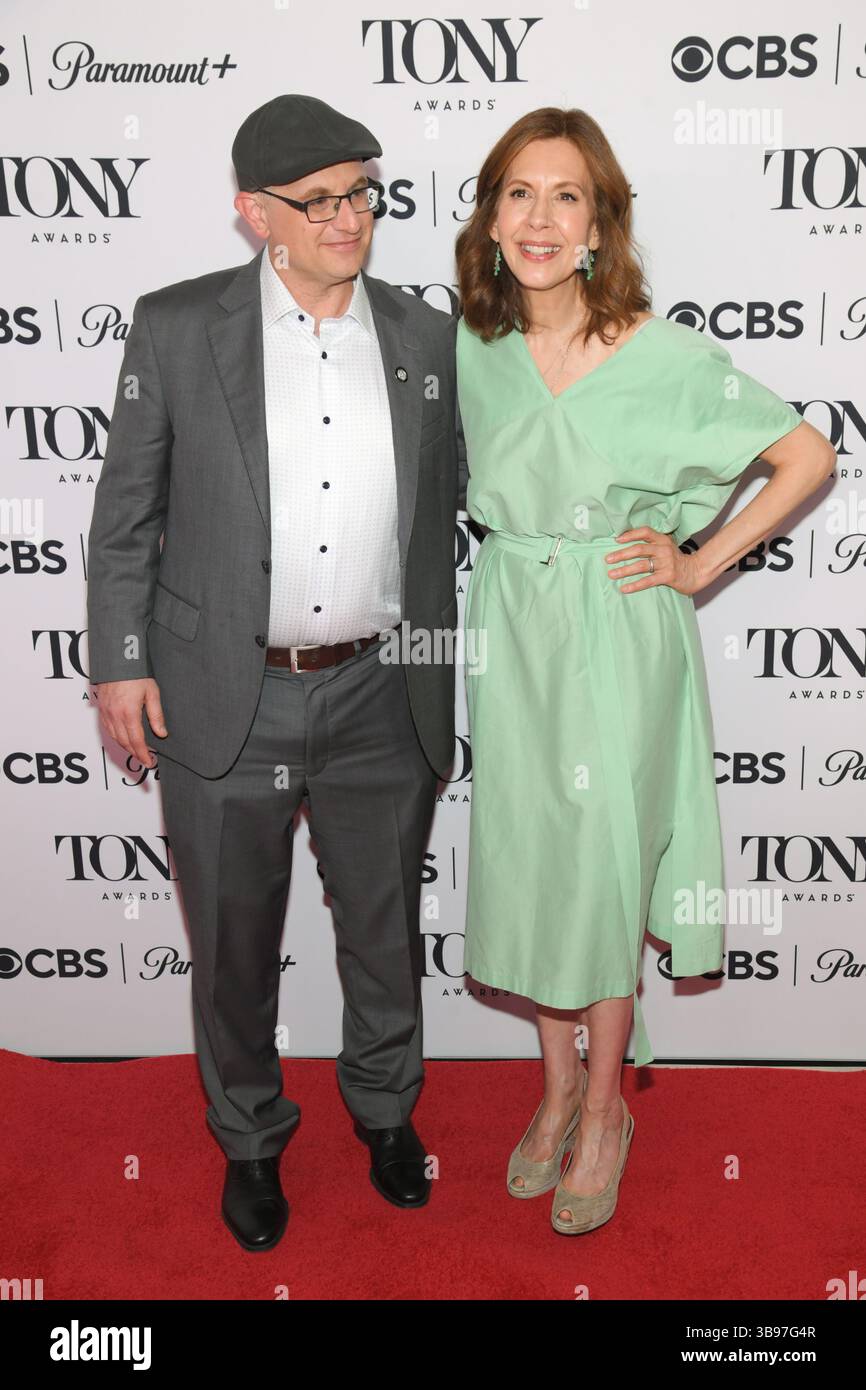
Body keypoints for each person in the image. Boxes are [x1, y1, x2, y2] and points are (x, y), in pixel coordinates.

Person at [86, 94, 465, 1252]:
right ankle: (250, 1140)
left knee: (384, 932)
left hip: (378, 689)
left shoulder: (424, 336)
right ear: (256, 214)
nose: (349, 217)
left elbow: (465, 506)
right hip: (219, 694)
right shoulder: (173, 327)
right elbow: (125, 520)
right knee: (235, 941)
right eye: (320, 200)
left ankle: (387, 1117)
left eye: (363, 191)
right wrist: (119, 663)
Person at [454, 106, 835, 1236]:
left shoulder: (659, 352)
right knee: (532, 857)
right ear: (488, 215)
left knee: (609, 862)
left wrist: (699, 558)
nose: (537, 216)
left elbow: (803, 453)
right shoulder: (470, 346)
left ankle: (607, 1105)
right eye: (516, 192)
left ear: (598, 222)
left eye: (563, 195)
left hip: (620, 629)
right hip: (515, 627)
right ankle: (557, 1081)